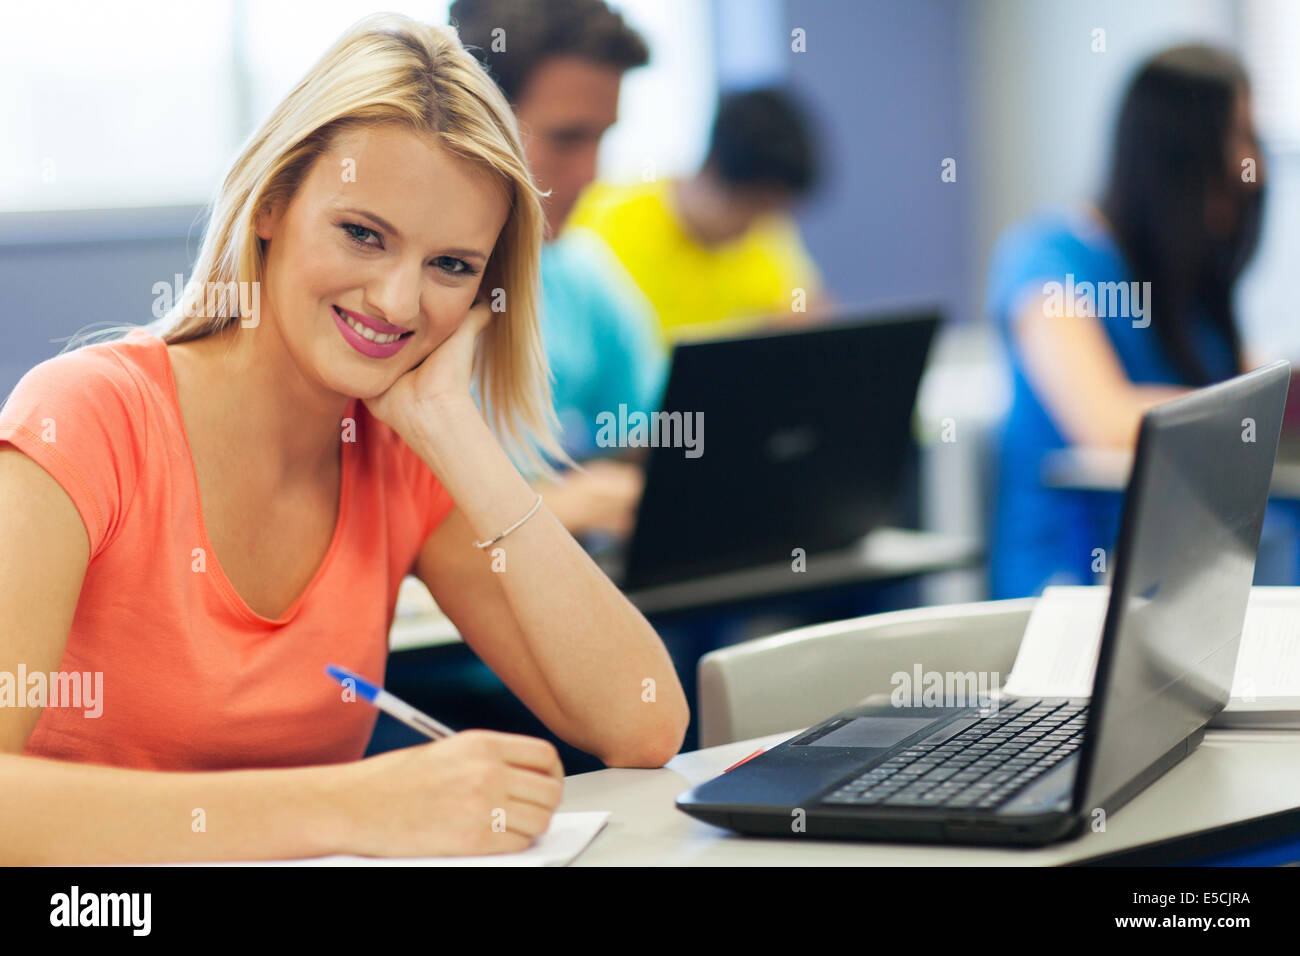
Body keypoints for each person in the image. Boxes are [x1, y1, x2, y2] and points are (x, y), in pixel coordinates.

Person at [0, 14, 688, 864]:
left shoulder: (399, 455)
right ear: (273, 204)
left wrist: (455, 430)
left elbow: (643, 719)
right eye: (363, 234)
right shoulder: (88, 415)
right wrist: (350, 804)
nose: (399, 303)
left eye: (451, 266)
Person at [987, 45, 1279, 599]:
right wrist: (1259, 412)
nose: (1252, 169)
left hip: (1196, 572)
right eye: (1235, 137)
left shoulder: (1183, 278)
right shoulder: (1046, 261)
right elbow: (1106, 420)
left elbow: (1242, 380)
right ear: (1173, 151)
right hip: (1075, 584)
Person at [451, 0, 668, 538]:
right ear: (476, 121)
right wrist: (550, 507)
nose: (594, 173)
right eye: (568, 138)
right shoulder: (391, 294)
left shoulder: (583, 273)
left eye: (602, 138)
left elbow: (652, 433)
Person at [569, 85, 830, 343]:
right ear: (713, 171)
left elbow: (812, 315)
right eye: (754, 207)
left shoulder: (770, 234)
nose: (759, 226)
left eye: (772, 211)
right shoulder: (603, 226)